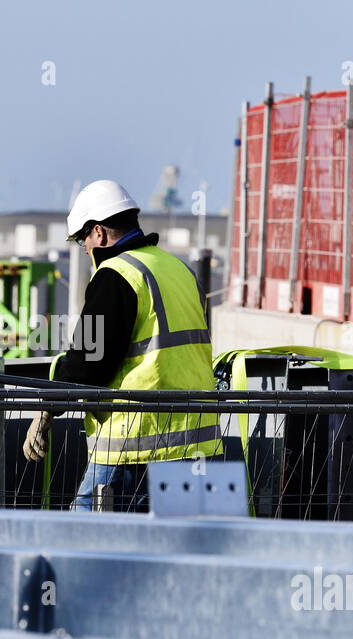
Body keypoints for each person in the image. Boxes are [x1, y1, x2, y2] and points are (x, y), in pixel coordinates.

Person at [22, 179, 221, 511]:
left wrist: (46, 409)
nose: (85, 249)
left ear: (99, 233)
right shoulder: (178, 270)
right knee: (175, 551)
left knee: (85, 543)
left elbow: (89, 361)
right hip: (199, 445)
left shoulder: (117, 275)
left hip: (135, 446)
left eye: (83, 240)